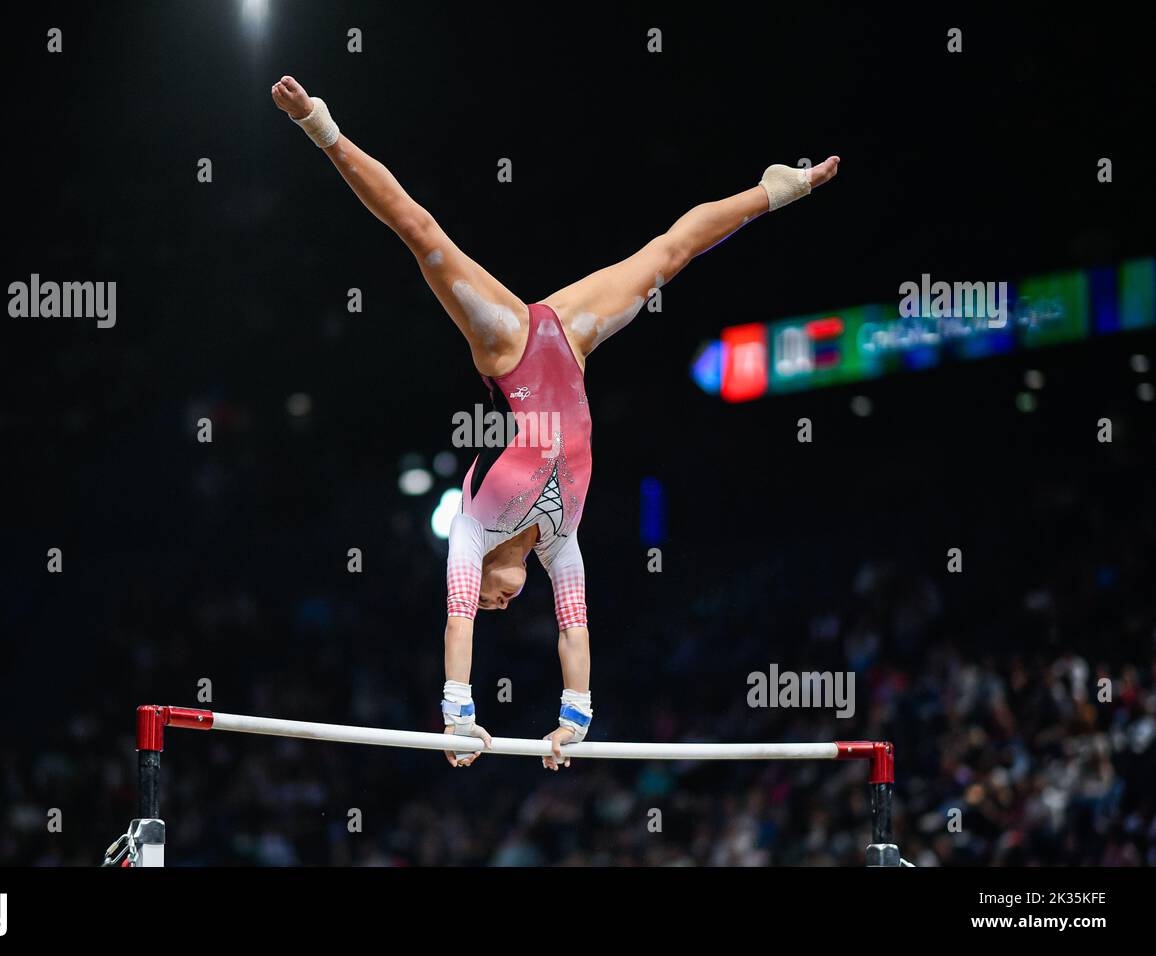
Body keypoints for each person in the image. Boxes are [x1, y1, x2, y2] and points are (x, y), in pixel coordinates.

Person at [271, 74, 839, 771]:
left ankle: (322, 126)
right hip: (568, 341)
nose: (499, 607)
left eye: (490, 606)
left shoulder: (471, 533)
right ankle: (781, 189)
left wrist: (459, 713)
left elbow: (454, 623)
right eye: (498, 609)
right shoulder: (560, 545)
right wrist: (574, 721)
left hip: (510, 350)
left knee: (421, 234)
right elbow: (576, 634)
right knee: (669, 256)